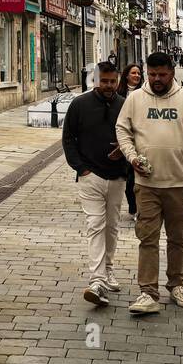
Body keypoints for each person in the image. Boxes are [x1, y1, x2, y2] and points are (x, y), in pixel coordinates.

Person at [115, 52, 183, 313]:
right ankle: (148, 292)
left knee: (176, 237)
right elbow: (122, 129)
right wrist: (131, 156)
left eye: (162, 74)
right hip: (146, 183)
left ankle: (176, 285)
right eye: (152, 74)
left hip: (178, 181)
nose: (156, 79)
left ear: (172, 72)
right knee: (147, 238)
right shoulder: (136, 99)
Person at [62, 61, 128, 307]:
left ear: (118, 81)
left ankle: (108, 270)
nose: (109, 86)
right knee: (95, 225)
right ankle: (97, 280)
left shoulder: (125, 105)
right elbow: (68, 138)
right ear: (96, 80)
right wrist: (82, 168)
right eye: (104, 81)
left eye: (113, 81)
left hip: (118, 176)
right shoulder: (80, 104)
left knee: (111, 226)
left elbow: (135, 136)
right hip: (90, 177)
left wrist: (124, 151)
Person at [119, 63, 144, 223]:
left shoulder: (145, 93)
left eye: (139, 73)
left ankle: (138, 208)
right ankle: (133, 207)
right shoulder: (119, 93)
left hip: (141, 140)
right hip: (124, 140)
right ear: (126, 75)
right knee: (128, 178)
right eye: (133, 73)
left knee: (137, 176)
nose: (137, 76)